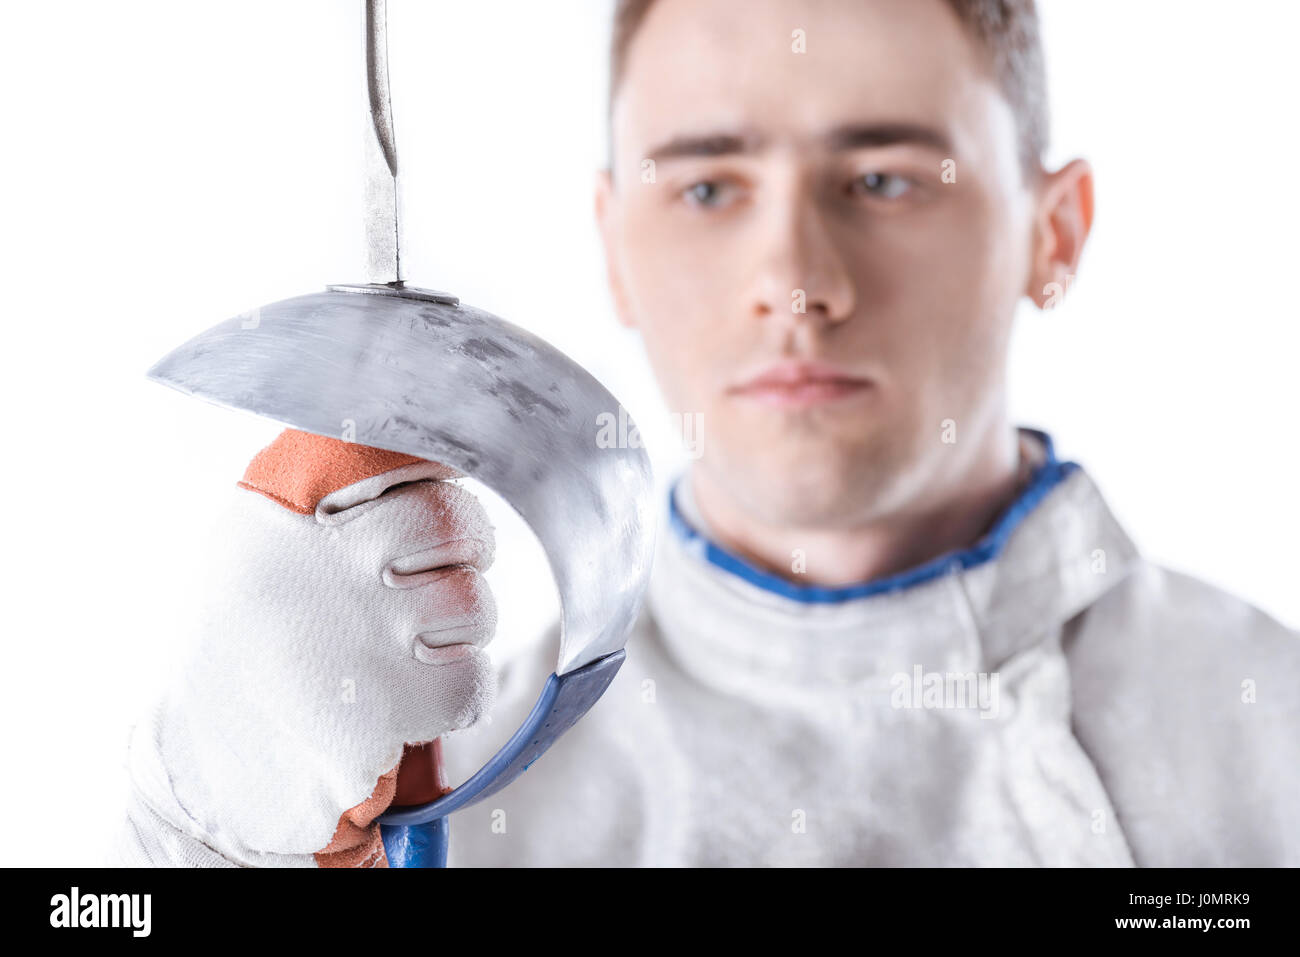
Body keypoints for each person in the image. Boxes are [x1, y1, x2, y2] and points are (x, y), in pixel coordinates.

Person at [112, 0, 1299, 868]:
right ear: (613, 240)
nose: (792, 281)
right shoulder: (438, 792)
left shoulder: (1269, 730)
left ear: (1056, 231)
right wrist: (207, 846)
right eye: (707, 188)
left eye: (883, 179)